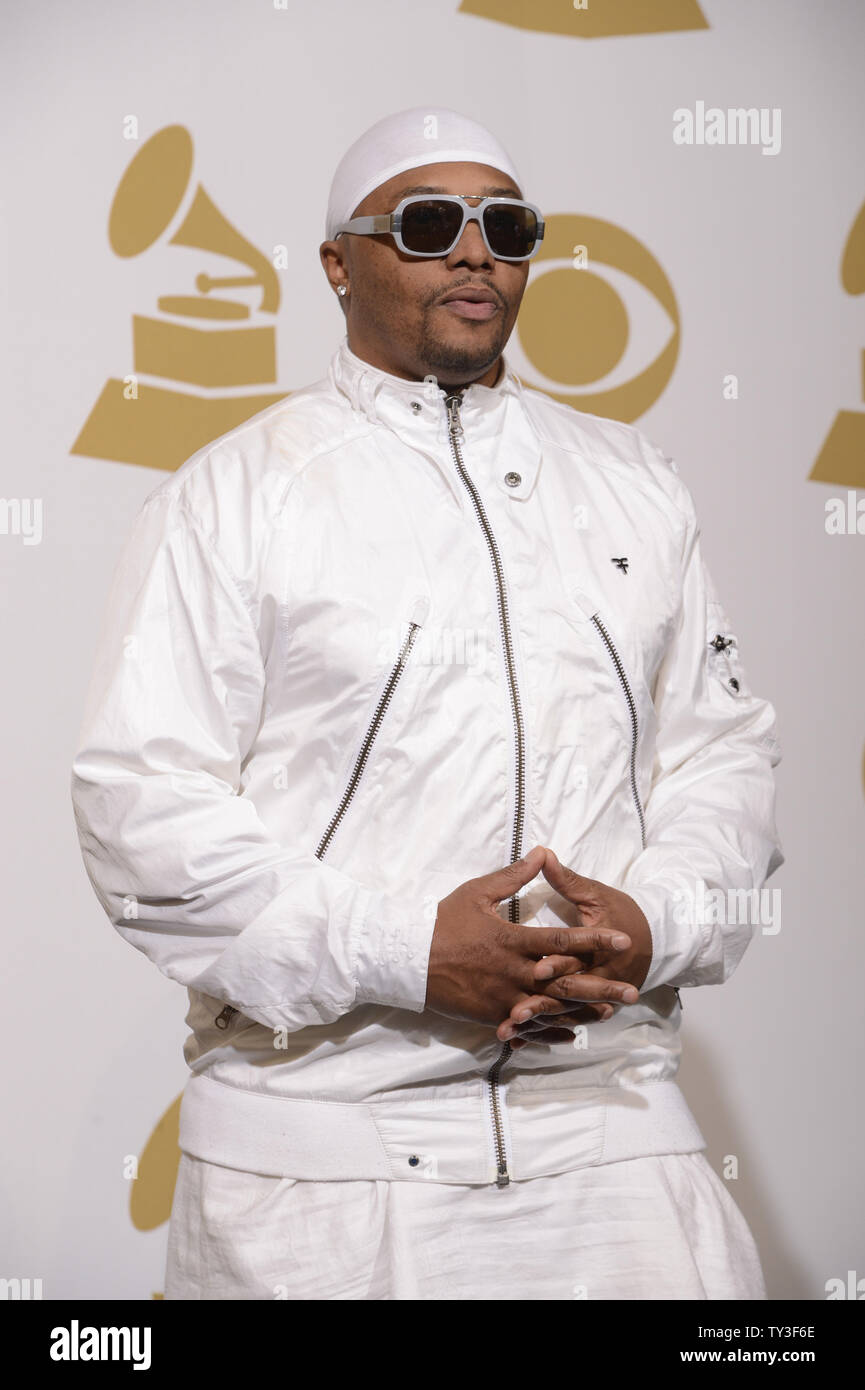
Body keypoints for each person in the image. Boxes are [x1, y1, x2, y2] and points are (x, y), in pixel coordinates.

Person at [70, 105, 784, 1301]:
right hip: (319, 1165)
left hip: (613, 1131)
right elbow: (140, 812)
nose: (474, 252)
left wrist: (656, 919)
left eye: (505, 227)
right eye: (427, 222)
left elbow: (722, 758)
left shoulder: (631, 481)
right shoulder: (233, 497)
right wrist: (405, 951)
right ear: (338, 264)